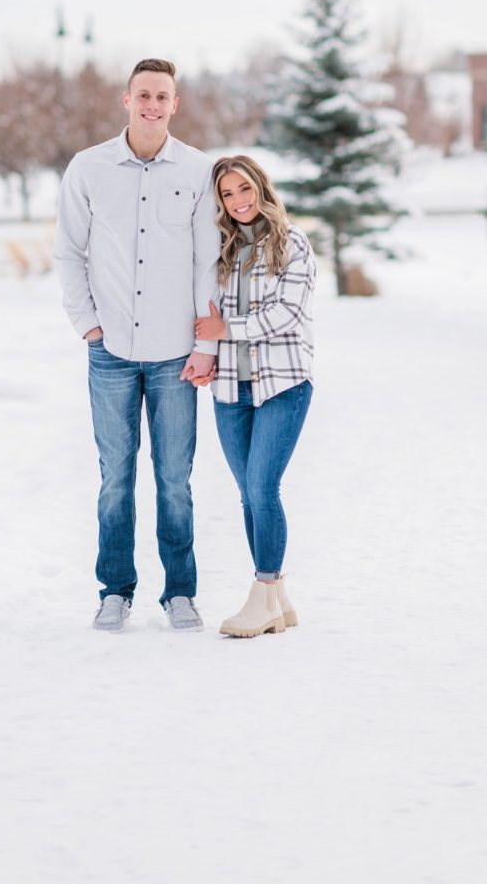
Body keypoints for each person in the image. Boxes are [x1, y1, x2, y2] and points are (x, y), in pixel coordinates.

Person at [54, 59, 220, 633]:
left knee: (175, 478)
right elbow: (68, 253)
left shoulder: (199, 171)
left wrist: (204, 341)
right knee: (115, 478)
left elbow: (208, 262)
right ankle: (115, 590)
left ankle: (180, 592)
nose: (153, 104)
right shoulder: (89, 168)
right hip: (112, 352)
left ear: (175, 105)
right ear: (126, 99)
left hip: (177, 354)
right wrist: (89, 326)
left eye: (163, 96)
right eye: (143, 94)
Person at [194, 155, 315, 638]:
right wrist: (206, 350)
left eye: (244, 189)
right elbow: (203, 311)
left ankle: (263, 593)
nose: (238, 201)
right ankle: (277, 600)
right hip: (231, 389)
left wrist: (227, 329)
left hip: (283, 383)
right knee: (248, 495)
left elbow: (286, 314)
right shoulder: (221, 252)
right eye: (227, 194)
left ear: (260, 189)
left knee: (264, 488)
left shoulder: (293, 244)